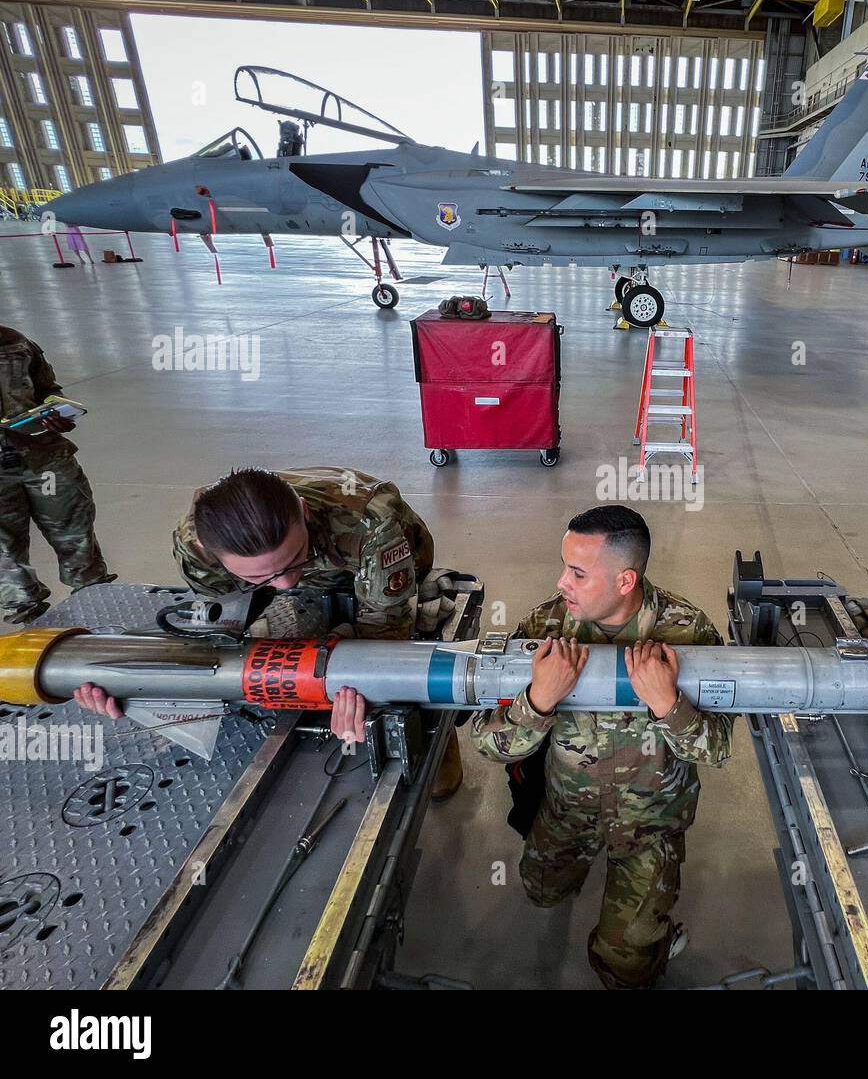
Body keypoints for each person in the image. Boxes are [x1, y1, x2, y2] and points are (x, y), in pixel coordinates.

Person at [73, 465, 464, 796]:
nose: (285, 584)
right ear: (211, 553)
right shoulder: (196, 549)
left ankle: (439, 757)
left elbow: (385, 636)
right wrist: (141, 690)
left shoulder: (372, 524)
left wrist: (360, 689)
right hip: (318, 568)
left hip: (378, 561)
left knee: (402, 668)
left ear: (305, 513)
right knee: (274, 646)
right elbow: (219, 632)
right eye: (262, 575)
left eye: (292, 561)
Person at [460, 505, 727, 989]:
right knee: (540, 892)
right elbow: (489, 744)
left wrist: (669, 705)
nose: (562, 583)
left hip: (650, 823)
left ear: (625, 581)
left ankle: (654, 938)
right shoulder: (545, 628)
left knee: (625, 964)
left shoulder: (688, 632)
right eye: (564, 566)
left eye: (578, 573)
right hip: (570, 808)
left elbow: (717, 750)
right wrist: (539, 699)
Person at [0, 325, 115, 624]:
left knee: (75, 532)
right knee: (5, 555)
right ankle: (30, 624)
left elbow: (47, 389)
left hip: (43, 457)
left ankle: (98, 610)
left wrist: (56, 414)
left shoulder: (15, 342)